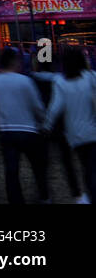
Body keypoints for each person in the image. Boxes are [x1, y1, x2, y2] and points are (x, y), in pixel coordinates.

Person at [0, 46, 49, 205]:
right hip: (29, 129)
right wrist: (44, 123)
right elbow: (37, 107)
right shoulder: (25, 81)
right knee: (37, 167)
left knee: (11, 170)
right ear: (14, 62)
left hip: (6, 130)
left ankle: (16, 199)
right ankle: (43, 195)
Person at [43, 46, 96, 204]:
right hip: (93, 130)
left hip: (75, 134)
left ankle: (89, 195)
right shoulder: (91, 77)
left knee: (87, 167)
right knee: (92, 168)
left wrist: (47, 125)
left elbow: (55, 107)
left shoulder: (60, 82)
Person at [32, 50, 86, 203]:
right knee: (68, 163)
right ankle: (76, 194)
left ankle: (44, 195)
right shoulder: (61, 80)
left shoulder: (33, 80)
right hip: (62, 126)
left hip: (41, 126)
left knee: (42, 164)